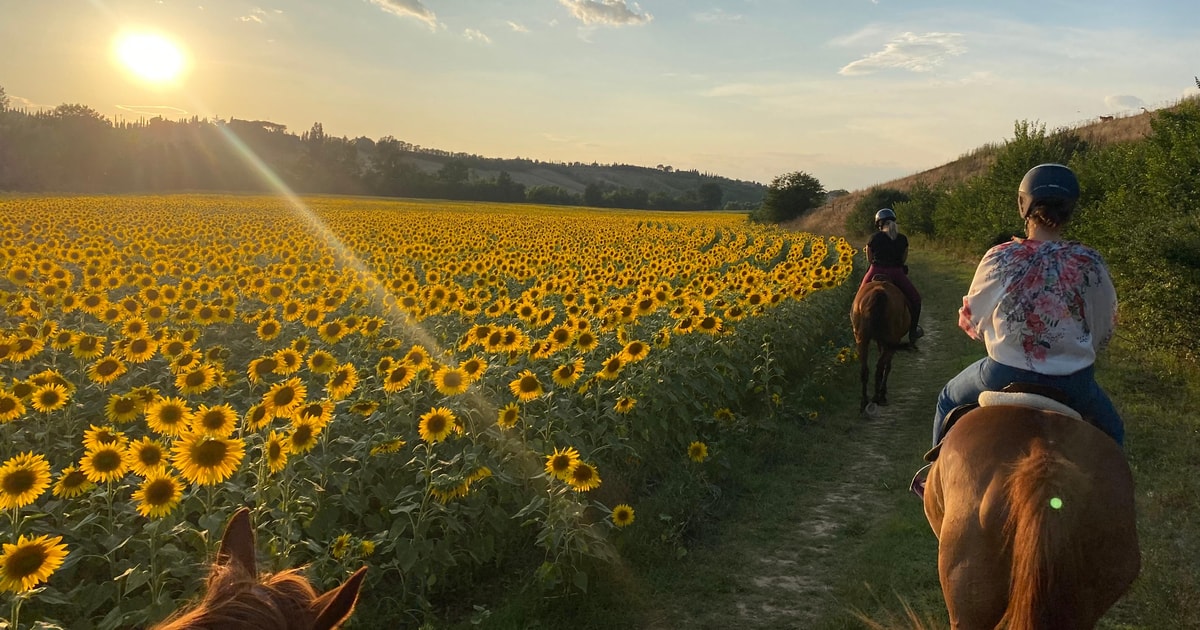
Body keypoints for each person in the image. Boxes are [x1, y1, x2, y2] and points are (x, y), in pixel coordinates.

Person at [930, 163, 1123, 448]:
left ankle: (929, 481)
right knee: (1114, 431)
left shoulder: (1000, 256)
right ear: (1069, 210)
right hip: (1073, 381)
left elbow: (972, 319)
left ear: (1024, 205)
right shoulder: (1089, 262)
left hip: (1004, 372)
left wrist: (994, 333)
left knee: (948, 398)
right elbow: (1104, 326)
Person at [861, 208, 923, 342]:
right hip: (896, 272)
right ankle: (913, 331)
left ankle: (858, 328)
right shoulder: (902, 239)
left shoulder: (874, 238)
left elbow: (869, 259)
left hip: (875, 269)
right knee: (916, 299)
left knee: (859, 298)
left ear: (879, 224)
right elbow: (903, 259)